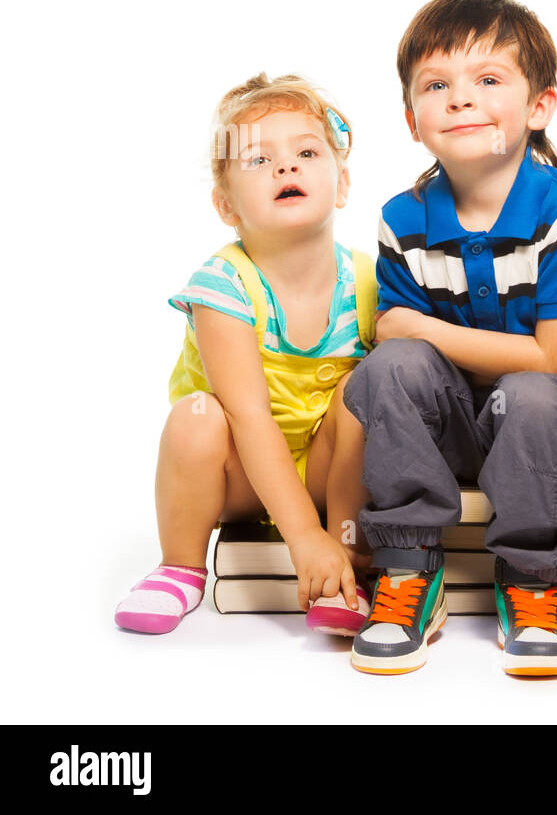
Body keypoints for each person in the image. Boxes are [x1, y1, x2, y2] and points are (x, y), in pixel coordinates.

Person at [344, 0, 557, 677]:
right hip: (451, 423)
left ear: (539, 107)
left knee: (531, 394)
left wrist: (419, 325)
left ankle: (529, 579)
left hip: (540, 423)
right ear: (412, 120)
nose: (460, 100)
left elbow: (554, 359)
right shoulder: (403, 220)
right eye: (437, 85)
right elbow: (400, 355)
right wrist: (408, 335)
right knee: (388, 368)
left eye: (488, 80)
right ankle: (406, 569)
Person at [115, 74, 375, 637]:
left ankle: (349, 562)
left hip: (330, 478)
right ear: (225, 205)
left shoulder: (368, 281)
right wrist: (302, 537)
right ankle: (180, 566)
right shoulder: (222, 286)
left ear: (343, 183)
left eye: (306, 152)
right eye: (259, 161)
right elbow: (250, 414)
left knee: (367, 393)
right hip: (238, 477)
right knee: (196, 418)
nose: (287, 168)